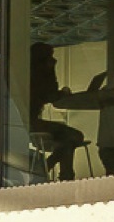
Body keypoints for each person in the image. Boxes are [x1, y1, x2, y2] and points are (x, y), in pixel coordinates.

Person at [28, 41, 83, 182]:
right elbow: (50, 95)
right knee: (74, 136)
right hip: (31, 124)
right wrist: (51, 71)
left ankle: (57, 171)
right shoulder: (36, 75)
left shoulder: (30, 75)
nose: (53, 60)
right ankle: (60, 173)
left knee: (68, 141)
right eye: (50, 56)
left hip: (29, 122)